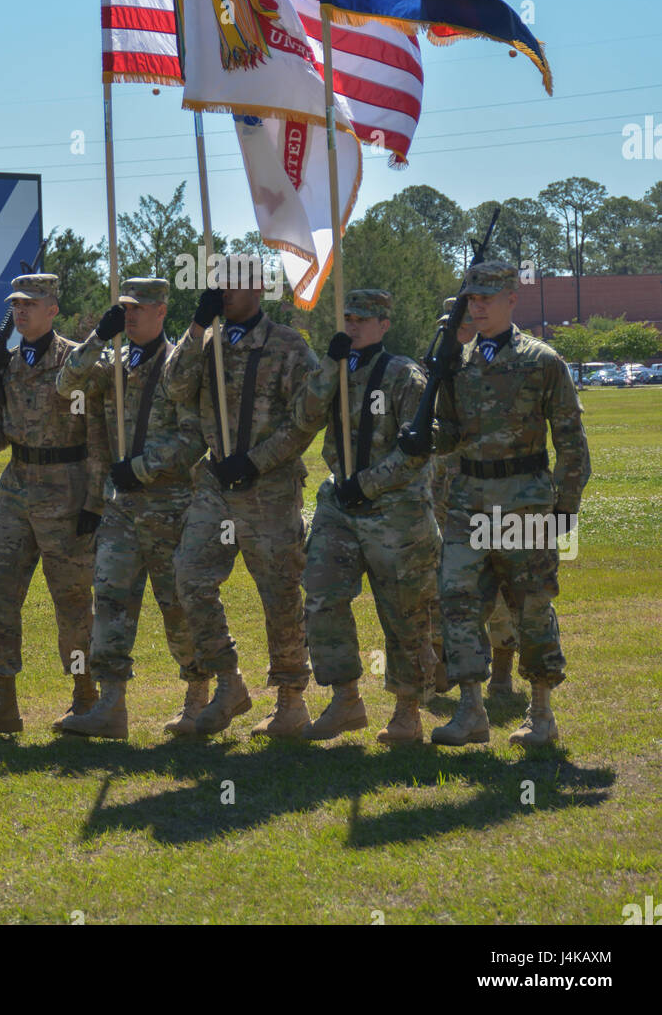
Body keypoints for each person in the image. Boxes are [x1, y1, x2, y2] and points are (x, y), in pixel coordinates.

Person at [431, 260, 591, 748]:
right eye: (471, 298)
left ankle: (540, 712)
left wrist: (564, 509)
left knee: (531, 607)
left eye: (486, 298)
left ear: (511, 300)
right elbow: (449, 434)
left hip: (523, 502)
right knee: (457, 602)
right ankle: (471, 710)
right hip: (467, 502)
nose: (477, 306)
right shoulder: (457, 362)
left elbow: (571, 442)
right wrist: (419, 429)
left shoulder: (542, 361)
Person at [163, 261, 319, 737]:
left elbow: (308, 418)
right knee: (189, 578)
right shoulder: (207, 342)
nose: (222, 291)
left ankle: (291, 702)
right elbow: (174, 386)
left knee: (280, 596)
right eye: (217, 283)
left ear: (258, 288)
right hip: (215, 486)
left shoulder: (288, 345)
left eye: (231, 282)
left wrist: (256, 461)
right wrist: (194, 326)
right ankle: (230, 682)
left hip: (268, 488)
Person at [54, 278, 209, 740]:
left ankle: (199, 697)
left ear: (162, 311)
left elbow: (194, 438)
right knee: (112, 603)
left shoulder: (179, 366)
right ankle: (111, 704)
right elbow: (66, 384)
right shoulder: (114, 364)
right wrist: (97, 337)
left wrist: (141, 468)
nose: (132, 315)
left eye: (140, 309)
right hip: (121, 509)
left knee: (177, 606)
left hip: (169, 504)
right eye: (125, 308)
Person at [0, 275, 96, 738]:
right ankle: (2, 702)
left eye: (32, 303)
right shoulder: (5, 365)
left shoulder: (77, 361)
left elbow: (100, 433)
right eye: (17, 304)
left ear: (53, 309)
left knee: (72, 600)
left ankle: (85, 695)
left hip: (66, 492)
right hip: (16, 491)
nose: (22, 311)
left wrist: (95, 498)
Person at [295, 289, 440, 743]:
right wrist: (326, 367)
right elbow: (304, 417)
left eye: (363, 319)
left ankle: (407, 710)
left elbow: (418, 450)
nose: (353, 326)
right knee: (320, 597)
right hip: (340, 505)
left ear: (384, 325)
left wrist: (370, 483)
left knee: (403, 613)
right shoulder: (335, 369)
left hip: (395, 510)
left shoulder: (403, 375)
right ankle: (345, 699)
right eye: (348, 318)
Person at [430, 299, 518, 698]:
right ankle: (445, 663)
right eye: (446, 328)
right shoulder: (437, 373)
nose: (451, 335)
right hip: (441, 500)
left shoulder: (496, 371)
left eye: (458, 328)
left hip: (490, 496)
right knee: (440, 587)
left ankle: (502, 668)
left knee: (497, 588)